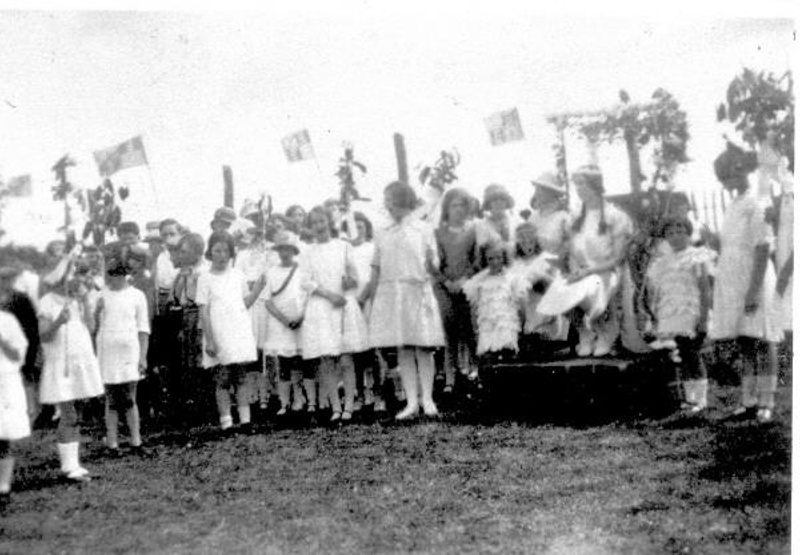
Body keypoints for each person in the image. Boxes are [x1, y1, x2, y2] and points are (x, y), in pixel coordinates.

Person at [360, 181, 445, 420]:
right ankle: (411, 402)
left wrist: (431, 265)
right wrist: (373, 300)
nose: (386, 203)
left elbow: (434, 263)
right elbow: (376, 267)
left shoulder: (423, 228)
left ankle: (427, 399)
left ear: (401, 199)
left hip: (417, 290)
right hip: (392, 293)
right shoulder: (382, 231)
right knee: (403, 347)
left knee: (423, 346)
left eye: (389, 198)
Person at [710, 143, 783, 423]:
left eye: (733, 175)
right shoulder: (734, 204)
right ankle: (749, 400)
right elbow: (733, 245)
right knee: (744, 341)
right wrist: (716, 243)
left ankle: (767, 400)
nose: (730, 182)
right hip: (733, 281)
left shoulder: (757, 202)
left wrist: (753, 290)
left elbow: (763, 248)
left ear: (744, 172)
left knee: (763, 340)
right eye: (725, 177)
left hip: (754, 280)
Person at [537, 165, 636, 357]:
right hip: (580, 270)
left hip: (607, 271)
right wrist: (569, 269)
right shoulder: (575, 216)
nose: (579, 189)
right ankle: (585, 332)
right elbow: (569, 249)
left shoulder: (614, 216)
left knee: (590, 286)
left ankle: (605, 333)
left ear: (595, 185)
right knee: (558, 288)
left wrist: (589, 271)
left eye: (582, 184)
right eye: (576, 185)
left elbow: (617, 258)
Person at [39, 261, 104, 481]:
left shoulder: (78, 299)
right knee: (69, 414)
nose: (75, 279)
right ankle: (69, 467)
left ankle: (72, 464)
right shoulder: (47, 302)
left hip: (81, 360)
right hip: (61, 363)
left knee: (76, 414)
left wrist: (85, 300)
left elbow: (91, 327)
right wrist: (58, 321)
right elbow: (44, 335)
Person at [299, 206, 361, 423]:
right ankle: (335, 407)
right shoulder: (307, 252)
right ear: (310, 226)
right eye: (314, 222)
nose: (319, 225)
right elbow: (305, 282)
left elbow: (355, 276)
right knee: (326, 360)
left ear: (329, 222)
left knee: (345, 359)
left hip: (342, 305)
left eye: (322, 221)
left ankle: (349, 407)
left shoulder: (343, 246)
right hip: (322, 307)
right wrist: (328, 295)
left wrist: (349, 282)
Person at [645, 217, 714, 413]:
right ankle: (689, 397)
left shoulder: (697, 257)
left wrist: (702, 320)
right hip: (673, 313)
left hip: (691, 311)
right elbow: (659, 291)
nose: (676, 237)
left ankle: (700, 399)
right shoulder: (663, 262)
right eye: (670, 234)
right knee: (682, 353)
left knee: (693, 353)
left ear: (688, 233)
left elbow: (705, 289)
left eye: (680, 232)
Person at [197, 231, 262, 431]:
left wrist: (258, 289)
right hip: (218, 331)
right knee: (223, 377)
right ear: (210, 252)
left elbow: (245, 303)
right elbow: (204, 311)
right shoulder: (205, 278)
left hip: (238, 329)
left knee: (241, 376)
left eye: (226, 250)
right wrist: (209, 340)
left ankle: (245, 420)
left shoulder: (237, 274)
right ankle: (226, 422)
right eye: (217, 250)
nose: (222, 255)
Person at [95, 256, 150, 454]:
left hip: (129, 350)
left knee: (129, 398)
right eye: (109, 274)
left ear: (125, 274)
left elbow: (143, 328)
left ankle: (136, 441)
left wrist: (142, 357)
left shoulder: (137, 296)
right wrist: (96, 311)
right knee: (111, 399)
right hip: (107, 349)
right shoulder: (101, 296)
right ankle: (112, 443)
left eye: (117, 274)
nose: (113, 279)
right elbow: (93, 326)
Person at [433, 187, 478, 392]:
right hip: (444, 286)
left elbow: (477, 260)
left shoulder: (473, 230)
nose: (458, 209)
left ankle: (475, 369)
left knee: (469, 327)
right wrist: (447, 282)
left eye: (462, 205)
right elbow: (434, 263)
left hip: (467, 284)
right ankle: (450, 377)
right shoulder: (438, 233)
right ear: (447, 209)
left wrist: (464, 280)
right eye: (454, 205)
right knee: (449, 327)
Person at [260, 232, 308, 416]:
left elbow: (307, 296)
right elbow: (267, 301)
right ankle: (284, 402)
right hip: (281, 324)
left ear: (294, 250)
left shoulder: (301, 270)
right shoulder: (271, 272)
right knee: (283, 363)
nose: (284, 253)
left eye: (288, 249)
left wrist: (301, 317)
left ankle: (299, 399)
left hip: (299, 322)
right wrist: (285, 321)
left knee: (298, 361)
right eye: (281, 249)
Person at [166, 233, 210, 428]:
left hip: (199, 318)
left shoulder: (203, 272)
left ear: (196, 252)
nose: (181, 255)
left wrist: (188, 279)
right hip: (185, 318)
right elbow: (173, 298)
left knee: (201, 363)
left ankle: (205, 409)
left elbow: (195, 298)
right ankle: (190, 408)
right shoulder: (184, 272)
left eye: (184, 251)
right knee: (188, 364)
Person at [463, 242, 529, 364]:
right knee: (489, 361)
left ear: (504, 257)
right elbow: (474, 310)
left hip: (508, 329)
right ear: (484, 260)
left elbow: (521, 307)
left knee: (507, 359)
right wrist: (476, 331)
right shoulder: (479, 282)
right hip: (487, 331)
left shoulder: (512, 279)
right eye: (490, 259)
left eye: (498, 258)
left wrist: (521, 329)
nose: (495, 262)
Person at [510, 222, 568, 351]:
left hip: (543, 302)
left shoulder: (548, 259)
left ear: (536, 239)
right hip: (523, 305)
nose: (526, 241)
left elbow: (559, 287)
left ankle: (542, 333)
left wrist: (542, 277)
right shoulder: (515, 264)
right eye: (522, 238)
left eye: (529, 237)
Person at [350, 211, 384, 412]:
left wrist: (363, 298)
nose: (357, 231)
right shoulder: (345, 250)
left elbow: (375, 276)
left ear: (367, 228)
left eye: (361, 226)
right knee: (355, 352)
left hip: (370, 300)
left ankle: (379, 395)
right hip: (350, 303)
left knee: (374, 350)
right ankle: (362, 395)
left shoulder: (372, 248)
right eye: (353, 227)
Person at [0, 266, 41, 425]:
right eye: (2, 279)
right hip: (4, 343)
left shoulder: (20, 298)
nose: (5, 282)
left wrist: (31, 342)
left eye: (8, 279)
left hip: (23, 340)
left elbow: (32, 321)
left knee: (26, 374)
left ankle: (31, 410)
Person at [0, 309, 30, 498]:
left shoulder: (7, 320)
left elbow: (17, 355)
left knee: (3, 433)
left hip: (5, 380)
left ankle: (3, 484)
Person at [529, 171, 570, 266]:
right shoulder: (533, 217)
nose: (536, 193)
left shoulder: (563, 217)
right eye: (536, 189)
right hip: (531, 266)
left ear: (552, 193)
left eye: (541, 190)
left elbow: (570, 247)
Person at [474, 183, 519, 260]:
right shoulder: (481, 225)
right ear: (488, 203)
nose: (499, 202)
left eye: (502, 199)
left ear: (507, 202)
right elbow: (484, 250)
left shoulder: (517, 221)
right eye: (494, 199)